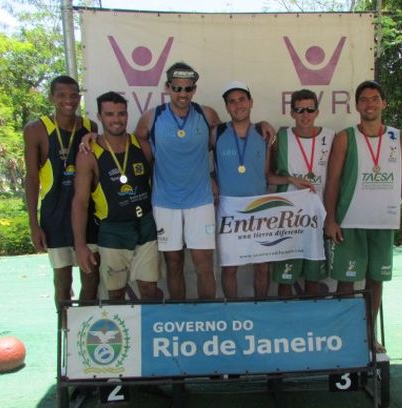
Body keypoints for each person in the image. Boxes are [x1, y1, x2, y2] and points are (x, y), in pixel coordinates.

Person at [324, 80, 402, 353]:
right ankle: (343, 337)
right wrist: (331, 219)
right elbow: (333, 180)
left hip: (384, 222)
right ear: (356, 105)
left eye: (375, 98)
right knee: (346, 281)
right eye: (364, 99)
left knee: (376, 281)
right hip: (350, 221)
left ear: (383, 103)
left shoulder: (399, 137)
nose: (370, 104)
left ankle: (368, 335)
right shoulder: (345, 137)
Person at [134, 62, 220, 301]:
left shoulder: (207, 114)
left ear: (194, 89)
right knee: (174, 263)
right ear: (167, 87)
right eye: (177, 88)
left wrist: (213, 177)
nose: (183, 94)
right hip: (165, 201)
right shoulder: (152, 117)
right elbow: (135, 142)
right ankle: (179, 314)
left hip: (200, 200)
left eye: (188, 88)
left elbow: (224, 143)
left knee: (204, 264)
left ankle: (208, 315)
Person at [212, 81, 305, 298]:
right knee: (230, 268)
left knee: (262, 267)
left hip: (260, 208)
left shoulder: (263, 134)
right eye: (232, 102)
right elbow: (195, 158)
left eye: (242, 100)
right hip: (229, 210)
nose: (238, 105)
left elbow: (266, 175)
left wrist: (290, 179)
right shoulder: (216, 133)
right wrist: (209, 180)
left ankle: (260, 307)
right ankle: (233, 311)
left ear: (251, 102)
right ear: (226, 107)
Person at [72, 91, 160, 301]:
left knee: (149, 290)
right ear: (99, 116)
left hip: (146, 226)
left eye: (121, 113)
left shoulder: (143, 146)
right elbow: (80, 202)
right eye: (109, 114)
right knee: (115, 294)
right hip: (112, 230)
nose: (116, 119)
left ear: (127, 115)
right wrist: (80, 245)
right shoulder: (89, 154)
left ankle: (151, 324)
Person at [24, 75, 99, 308]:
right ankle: (65, 326)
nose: (68, 100)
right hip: (55, 215)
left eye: (74, 95)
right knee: (63, 283)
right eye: (62, 95)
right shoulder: (36, 130)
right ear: (51, 98)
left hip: (88, 215)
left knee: (91, 279)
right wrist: (33, 224)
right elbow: (32, 178)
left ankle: (83, 327)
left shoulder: (90, 127)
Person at [271, 89, 335, 298]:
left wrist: (332, 218)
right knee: (285, 280)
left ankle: (310, 319)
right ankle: (285, 318)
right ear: (292, 113)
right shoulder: (281, 138)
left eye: (310, 109)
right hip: (287, 220)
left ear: (317, 112)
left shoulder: (331, 137)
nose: (305, 115)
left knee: (313, 279)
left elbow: (336, 180)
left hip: (317, 219)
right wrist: (290, 179)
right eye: (299, 110)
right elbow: (268, 176)